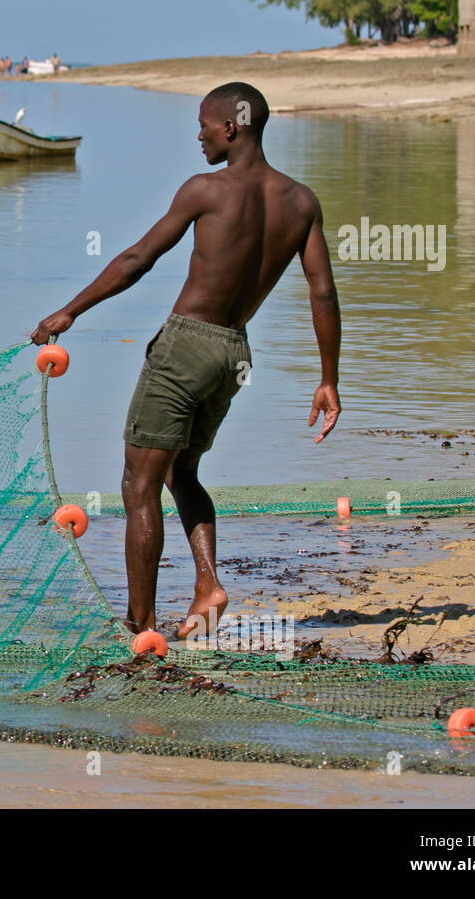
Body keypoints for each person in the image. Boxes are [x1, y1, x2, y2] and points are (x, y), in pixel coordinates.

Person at [30, 82, 341, 643]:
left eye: (204, 124)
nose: (197, 135)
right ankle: (207, 587)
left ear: (232, 127)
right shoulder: (301, 201)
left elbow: (136, 259)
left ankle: (141, 626)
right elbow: (323, 292)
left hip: (186, 347)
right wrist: (327, 379)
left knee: (137, 484)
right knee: (181, 472)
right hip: (234, 353)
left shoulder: (206, 189)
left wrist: (69, 311)